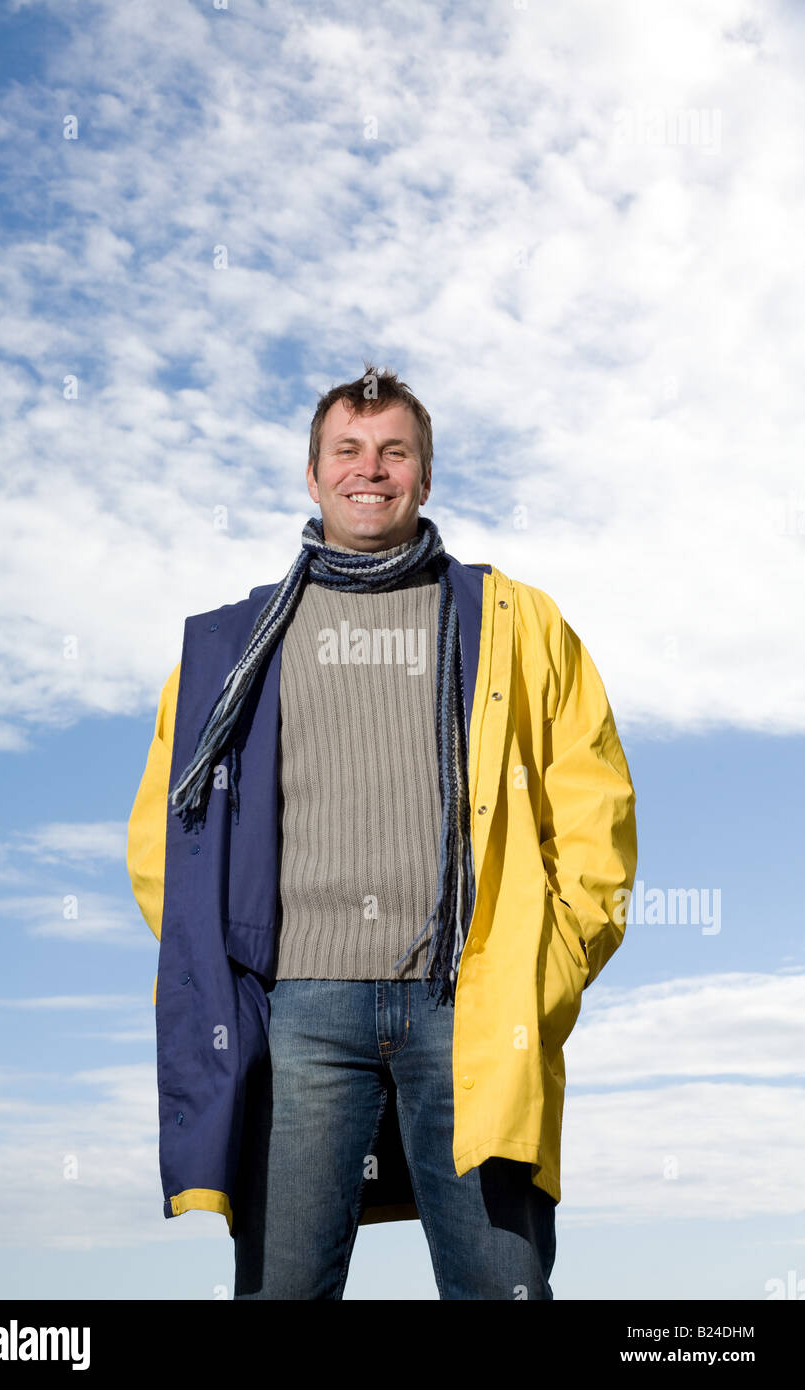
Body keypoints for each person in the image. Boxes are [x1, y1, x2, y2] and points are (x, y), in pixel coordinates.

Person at [126, 362, 638, 1300]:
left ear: (425, 476)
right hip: (301, 1014)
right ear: (313, 475)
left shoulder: (517, 623)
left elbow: (594, 809)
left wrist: (547, 964)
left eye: (395, 451)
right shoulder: (233, 646)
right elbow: (171, 842)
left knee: (503, 1283)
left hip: (469, 1004)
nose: (371, 469)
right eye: (348, 451)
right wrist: (231, 971)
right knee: (282, 1289)